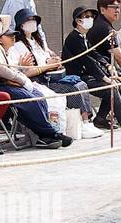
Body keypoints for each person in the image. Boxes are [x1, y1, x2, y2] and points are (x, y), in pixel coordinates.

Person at [0, 8, 72, 148]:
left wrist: (20, 75)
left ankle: (45, 133)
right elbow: (0, 69)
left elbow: (9, 65)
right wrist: (22, 79)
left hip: (10, 81)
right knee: (29, 100)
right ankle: (52, 133)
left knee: (38, 96)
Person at [9, 8, 104, 139]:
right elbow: (24, 71)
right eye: (28, 21)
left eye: (34, 20)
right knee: (73, 89)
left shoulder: (38, 42)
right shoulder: (18, 46)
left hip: (51, 76)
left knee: (81, 84)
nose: (32, 23)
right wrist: (47, 66)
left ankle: (86, 121)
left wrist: (54, 62)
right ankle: (81, 123)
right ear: (21, 25)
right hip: (39, 81)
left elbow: (46, 60)